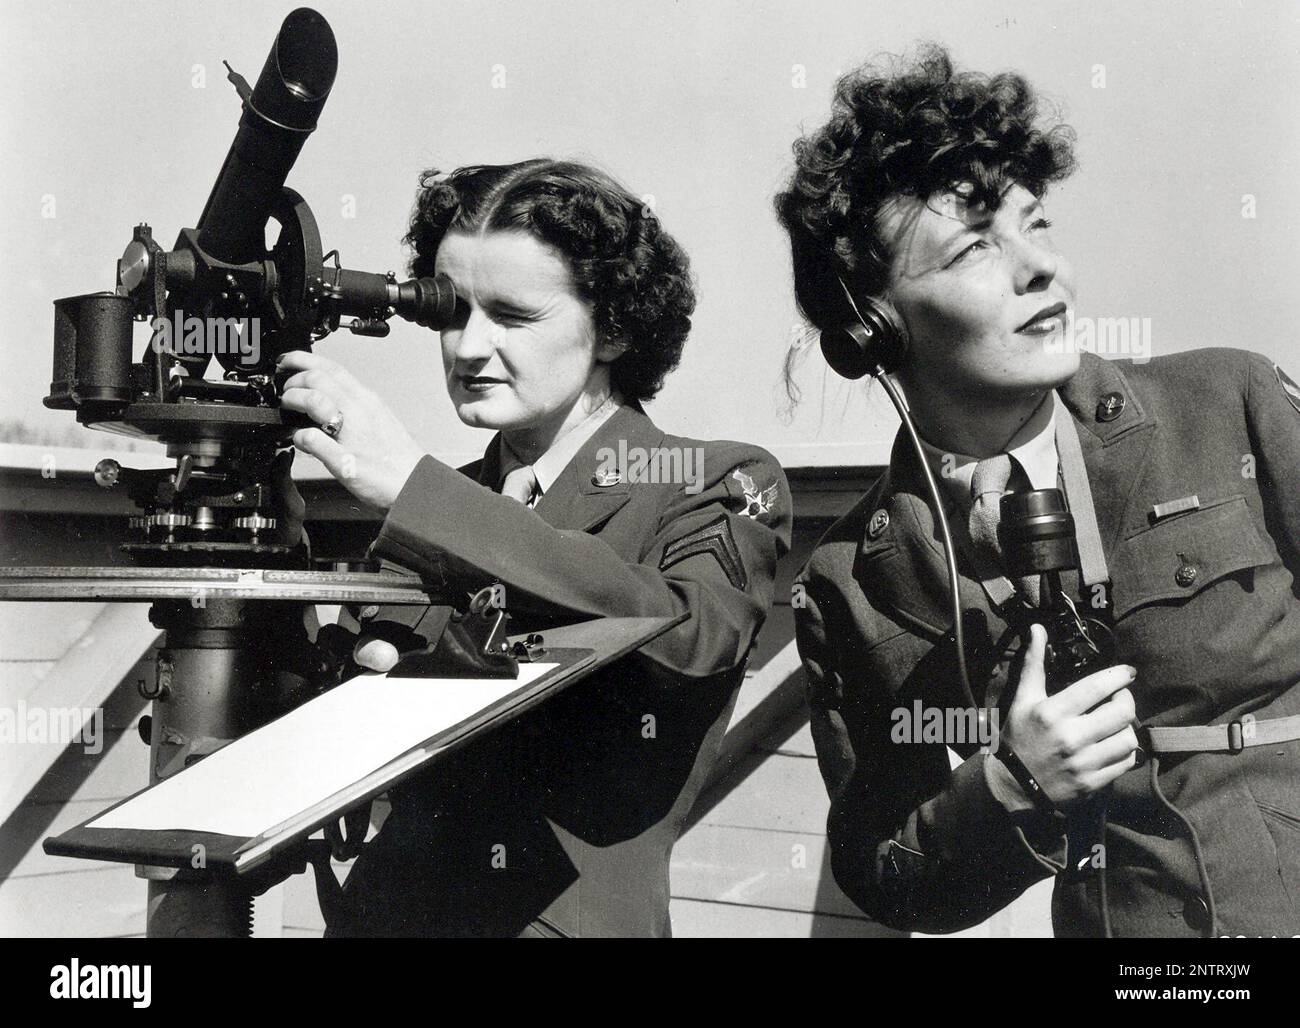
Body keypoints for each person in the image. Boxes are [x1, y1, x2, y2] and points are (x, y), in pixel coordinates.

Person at [775, 46, 1300, 937]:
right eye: (976, 247)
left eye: (1037, 225)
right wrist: (1009, 787)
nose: (1038, 268)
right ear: (872, 324)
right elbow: (886, 871)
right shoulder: (853, 580)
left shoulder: (1229, 403)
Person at [278, 158, 791, 936]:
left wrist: (419, 495)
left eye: (513, 317)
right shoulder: (440, 504)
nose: (469, 348)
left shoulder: (713, 479)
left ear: (614, 326)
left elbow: (689, 637)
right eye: (452, 312)